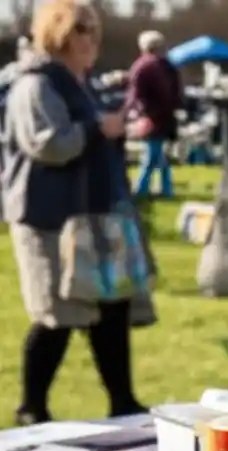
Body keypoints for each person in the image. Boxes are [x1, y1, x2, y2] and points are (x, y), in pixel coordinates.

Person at [3, 0, 150, 425]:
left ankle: (123, 403)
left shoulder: (79, 83)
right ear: (58, 32)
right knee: (57, 316)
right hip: (48, 219)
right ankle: (32, 407)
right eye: (81, 28)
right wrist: (95, 128)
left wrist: (114, 129)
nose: (91, 38)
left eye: (94, 29)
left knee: (110, 308)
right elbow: (48, 144)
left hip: (92, 217)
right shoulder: (35, 84)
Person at [126, 30, 181, 199]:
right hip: (166, 116)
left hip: (151, 116)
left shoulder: (142, 66)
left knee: (151, 155)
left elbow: (135, 94)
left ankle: (142, 189)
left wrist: (137, 112)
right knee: (160, 155)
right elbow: (176, 92)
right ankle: (166, 189)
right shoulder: (169, 66)